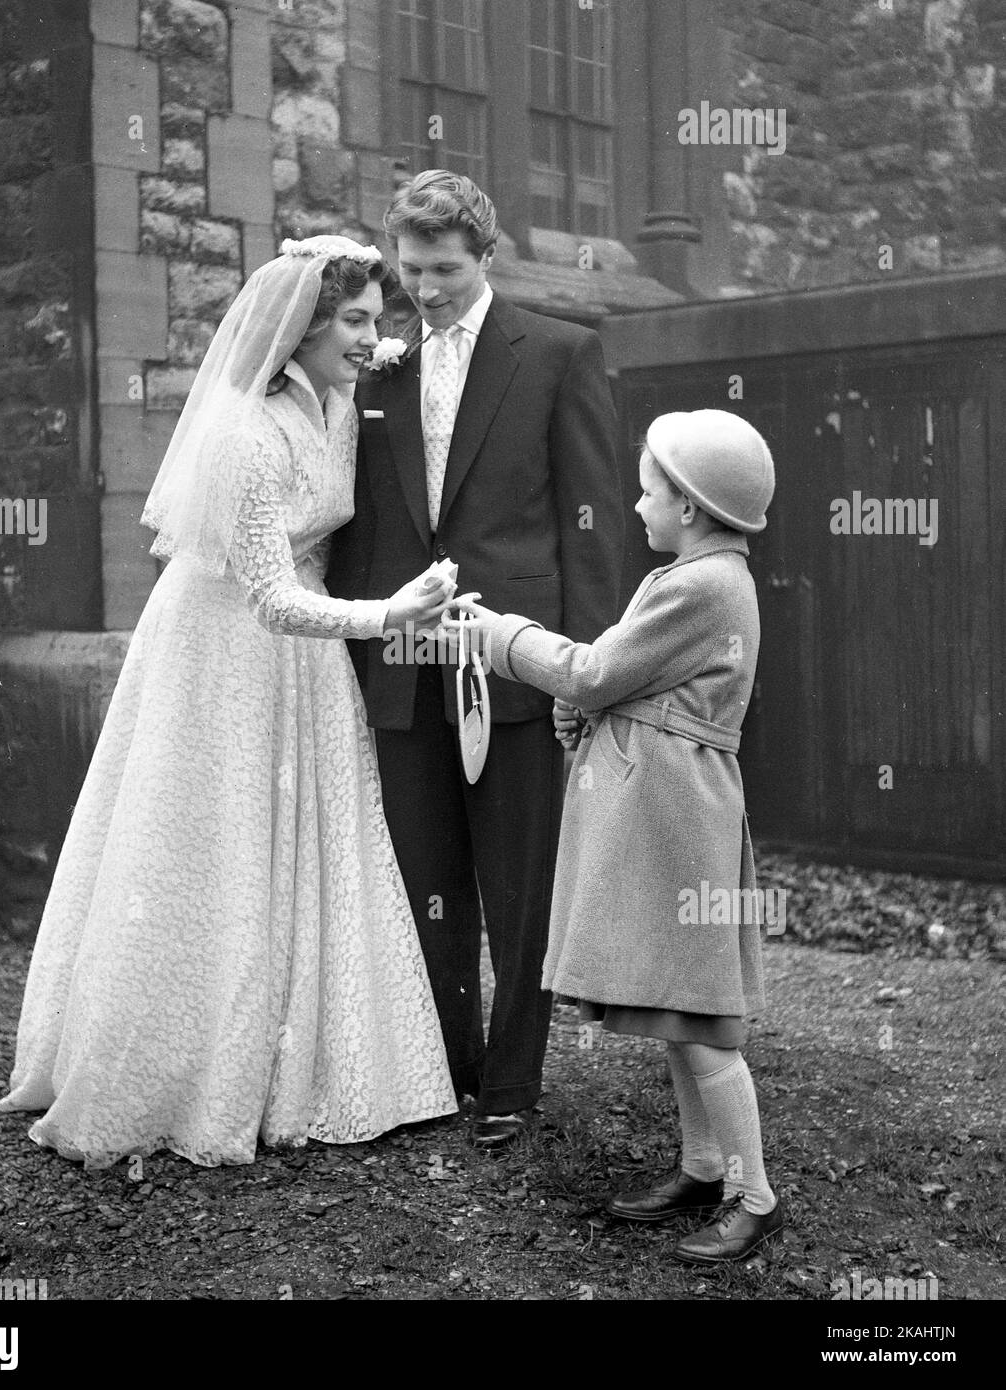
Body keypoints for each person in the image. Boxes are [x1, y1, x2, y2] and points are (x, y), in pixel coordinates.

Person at [0, 236, 459, 1168]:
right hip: (227, 651)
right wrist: (392, 614)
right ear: (301, 329)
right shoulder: (244, 434)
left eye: (379, 321)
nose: (373, 338)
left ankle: (318, 1063)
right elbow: (270, 598)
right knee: (214, 849)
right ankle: (190, 1068)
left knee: (310, 846)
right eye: (355, 321)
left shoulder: (336, 405)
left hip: (306, 659)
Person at [327, 171, 626, 1149]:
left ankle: (511, 1083)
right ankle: (442, 1066)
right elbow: (363, 522)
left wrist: (585, 670)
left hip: (519, 665)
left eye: (445, 268)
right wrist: (355, 645)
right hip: (404, 664)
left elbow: (590, 532)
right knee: (426, 881)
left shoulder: (558, 353)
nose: (427, 288)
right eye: (411, 270)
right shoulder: (381, 366)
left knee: (517, 888)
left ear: (485, 257)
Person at [448, 409, 784, 1260]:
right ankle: (703, 1167)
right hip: (664, 805)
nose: (636, 506)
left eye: (648, 491)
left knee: (703, 1018)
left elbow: (598, 669)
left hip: (675, 814)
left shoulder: (697, 585)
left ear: (692, 506)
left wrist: (502, 636)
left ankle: (753, 1193)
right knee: (677, 1004)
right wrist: (585, 705)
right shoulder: (697, 572)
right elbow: (622, 675)